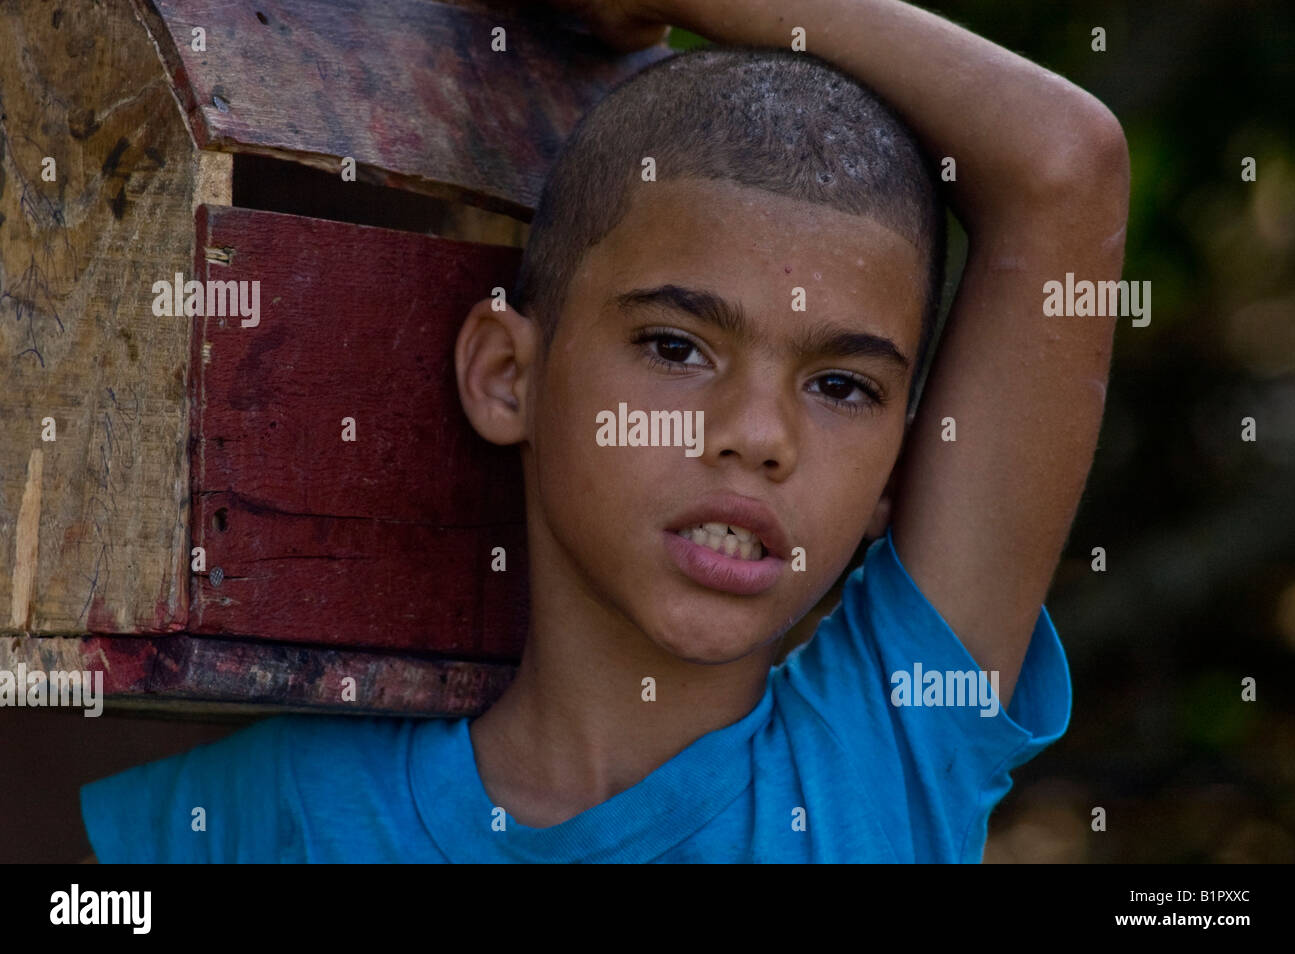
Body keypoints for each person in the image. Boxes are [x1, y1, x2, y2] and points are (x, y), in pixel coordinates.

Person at [79, 0, 1128, 862]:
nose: (758, 436)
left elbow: (1064, 165)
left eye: (843, 387)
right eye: (676, 348)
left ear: (902, 467)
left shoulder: (881, 759)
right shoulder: (272, 818)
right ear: (508, 376)